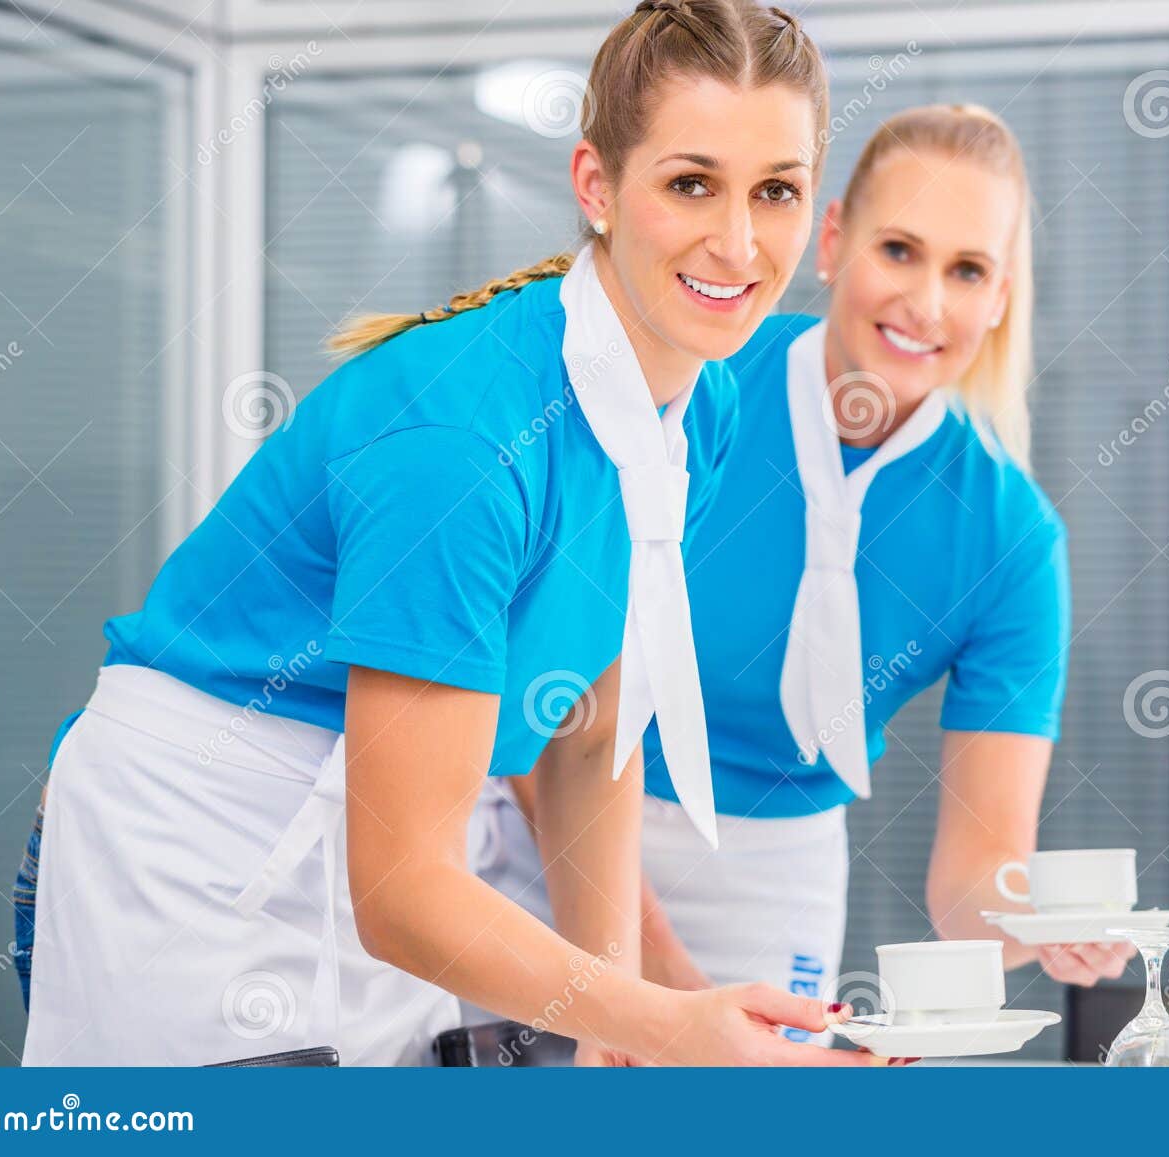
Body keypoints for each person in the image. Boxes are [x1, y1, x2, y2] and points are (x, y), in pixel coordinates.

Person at [17, 0, 871, 1067]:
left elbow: (588, 727)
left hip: (376, 842)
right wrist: (657, 1020)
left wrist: (615, 1022)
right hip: (196, 850)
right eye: (690, 182)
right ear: (597, 187)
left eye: (776, 190)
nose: (738, 241)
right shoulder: (467, 442)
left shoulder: (697, 406)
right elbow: (400, 888)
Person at [472, 105, 1133, 1043]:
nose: (926, 304)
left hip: (778, 876)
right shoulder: (691, 387)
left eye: (968, 271)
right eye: (899, 250)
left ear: (1001, 298)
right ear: (832, 241)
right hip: (559, 833)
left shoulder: (1010, 538)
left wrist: (1045, 922)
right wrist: (666, 995)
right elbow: (544, 711)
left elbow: (971, 881)